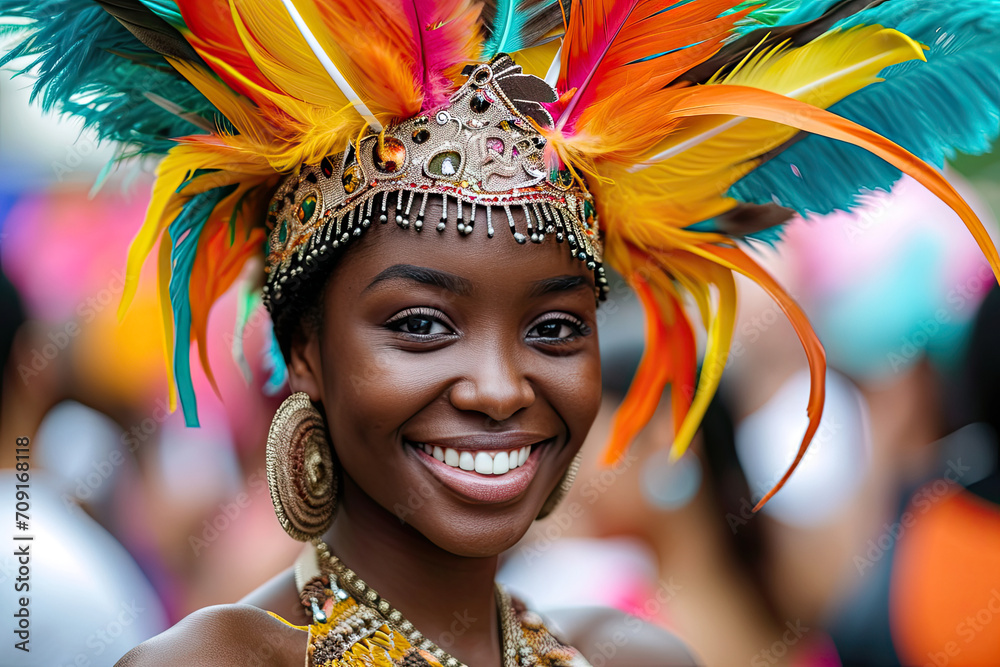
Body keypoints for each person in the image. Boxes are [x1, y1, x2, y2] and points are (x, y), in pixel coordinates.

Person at [3, 1, 1000, 665]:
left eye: (554, 325)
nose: (498, 384)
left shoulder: (634, 656)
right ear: (304, 347)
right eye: (423, 323)